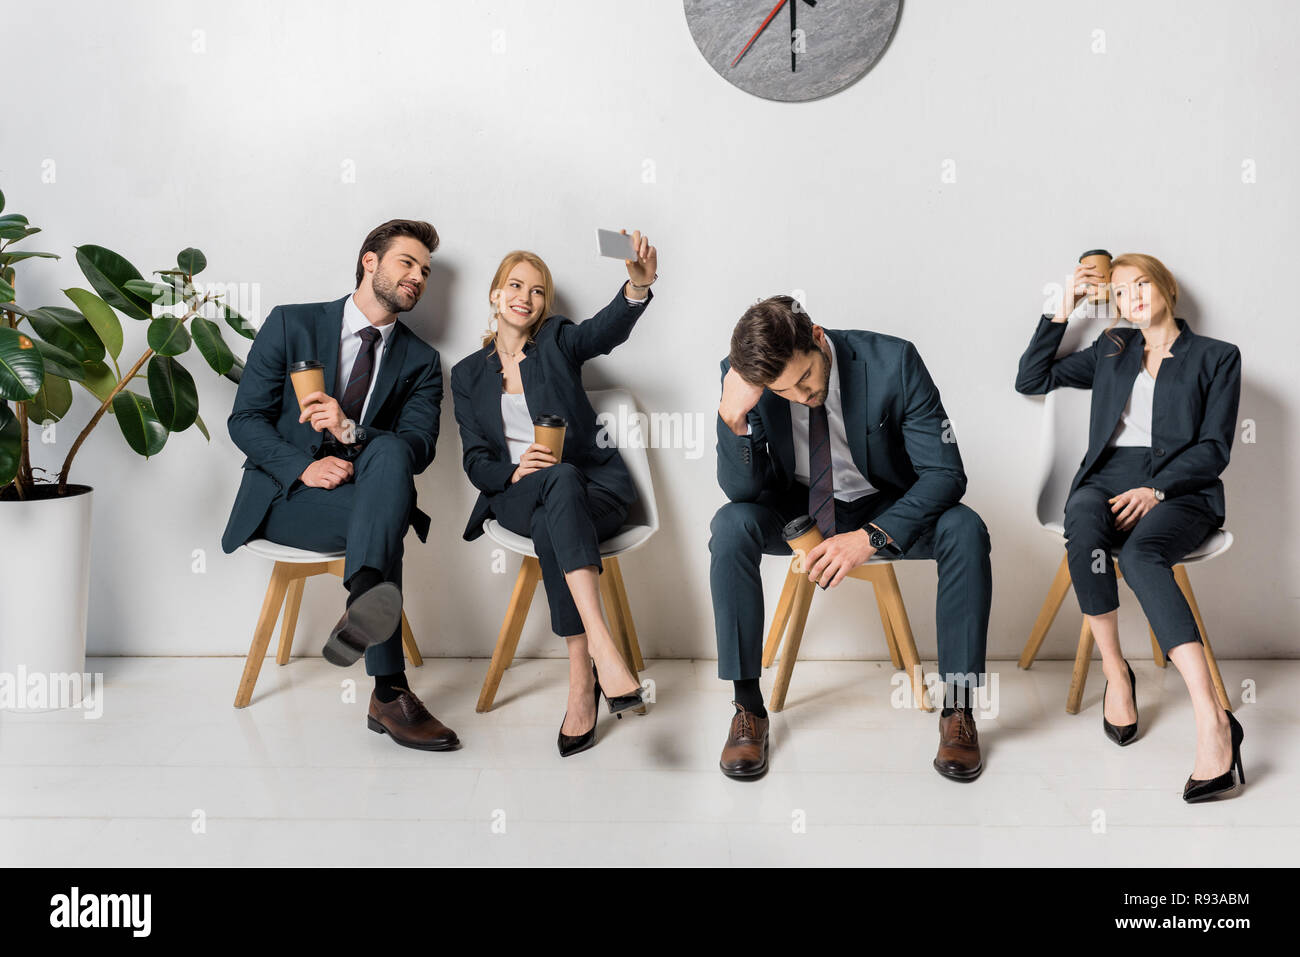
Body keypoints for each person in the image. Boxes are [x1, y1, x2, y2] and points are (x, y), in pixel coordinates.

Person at [710, 296, 992, 780]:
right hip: (798, 508)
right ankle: (748, 707)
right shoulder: (745, 378)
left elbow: (945, 474)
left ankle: (959, 709)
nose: (800, 396)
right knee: (730, 523)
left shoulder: (894, 361)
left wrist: (872, 536)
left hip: (884, 504)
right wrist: (732, 420)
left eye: (805, 379)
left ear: (818, 336)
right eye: (784, 392)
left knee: (965, 528)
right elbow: (742, 491)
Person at [1015, 252, 1244, 802]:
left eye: (1142, 284)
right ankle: (1117, 675)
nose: (1134, 297)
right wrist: (1063, 306)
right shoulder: (1112, 349)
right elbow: (1031, 378)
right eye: (1121, 293)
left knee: (1142, 556)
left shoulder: (1217, 357)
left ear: (1165, 287)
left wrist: (1158, 489)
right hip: (1105, 478)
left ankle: (1212, 718)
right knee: (1082, 522)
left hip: (1180, 489)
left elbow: (1214, 449)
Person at [222, 219, 458, 752]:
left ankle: (366, 611)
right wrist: (301, 468)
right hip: (288, 497)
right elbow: (246, 419)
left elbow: (420, 448)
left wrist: (349, 429)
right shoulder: (292, 324)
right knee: (383, 525)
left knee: (393, 451)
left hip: (366, 496)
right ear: (369, 261)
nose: (418, 277)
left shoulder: (421, 361)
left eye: (425, 271)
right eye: (407, 263)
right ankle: (389, 689)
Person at [450, 231, 657, 757]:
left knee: (560, 489)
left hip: (593, 492)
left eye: (538, 290)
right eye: (515, 285)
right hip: (517, 493)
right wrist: (516, 470)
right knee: (549, 488)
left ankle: (582, 681)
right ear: (495, 295)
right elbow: (476, 460)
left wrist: (636, 287)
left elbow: (603, 332)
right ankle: (604, 650)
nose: (526, 296)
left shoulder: (559, 341)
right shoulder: (468, 375)